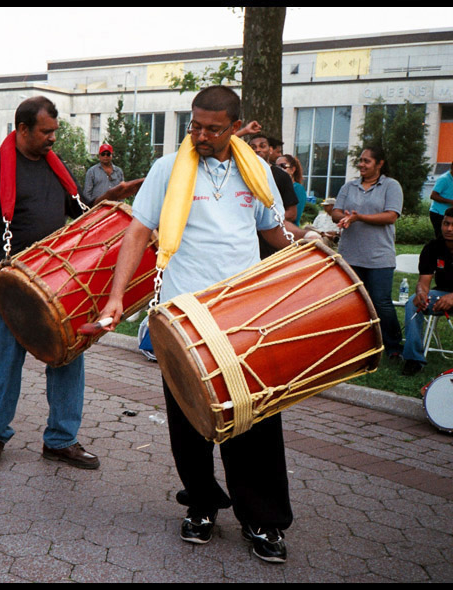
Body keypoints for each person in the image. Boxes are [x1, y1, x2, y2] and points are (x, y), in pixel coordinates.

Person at [97, 86, 317, 564]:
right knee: (189, 420)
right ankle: (201, 504)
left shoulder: (257, 170)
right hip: (183, 314)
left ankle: (262, 518)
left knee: (255, 417)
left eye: (212, 128)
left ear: (235, 126)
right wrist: (116, 297)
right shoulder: (167, 169)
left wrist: (306, 253)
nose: (200, 134)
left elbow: (270, 229)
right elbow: (138, 230)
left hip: (243, 314)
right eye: (195, 125)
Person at [0, 96, 112, 471]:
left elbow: (82, 216)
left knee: (68, 360)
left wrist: (113, 199)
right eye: (45, 131)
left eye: (54, 131)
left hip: (58, 286)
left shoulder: (59, 170)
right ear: (22, 129)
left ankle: (60, 440)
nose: (52, 138)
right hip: (9, 284)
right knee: (5, 362)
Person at [332, 147, 404, 361]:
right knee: (350, 303)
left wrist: (359, 217)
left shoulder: (391, 186)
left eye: (367, 161)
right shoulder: (349, 186)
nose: (361, 165)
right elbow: (336, 210)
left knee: (381, 302)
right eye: (360, 161)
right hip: (349, 256)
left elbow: (391, 216)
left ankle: (393, 346)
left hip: (379, 257)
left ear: (379, 163)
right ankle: (355, 345)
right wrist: (342, 216)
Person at [401, 207, 453, 376]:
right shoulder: (433, 247)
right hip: (442, 294)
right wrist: (421, 293)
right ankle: (413, 359)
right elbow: (423, 282)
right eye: (446, 223)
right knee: (412, 303)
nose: (449, 229)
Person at [248, 133, 298, 258]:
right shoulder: (241, 174)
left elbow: (292, 213)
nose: (257, 149)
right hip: (247, 243)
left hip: (272, 243)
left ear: (270, 150)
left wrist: (266, 218)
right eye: (253, 147)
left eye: (262, 146)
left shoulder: (281, 176)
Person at [428, 157, 453, 239]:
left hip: (447, 214)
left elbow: (451, 198)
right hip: (438, 213)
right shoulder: (444, 179)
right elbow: (433, 195)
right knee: (441, 238)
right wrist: (451, 202)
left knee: (449, 238)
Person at [275, 154, 308, 225]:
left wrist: (270, 218)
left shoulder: (297, 188)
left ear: (292, 170)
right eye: (276, 167)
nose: (278, 170)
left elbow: (294, 215)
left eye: (283, 166)